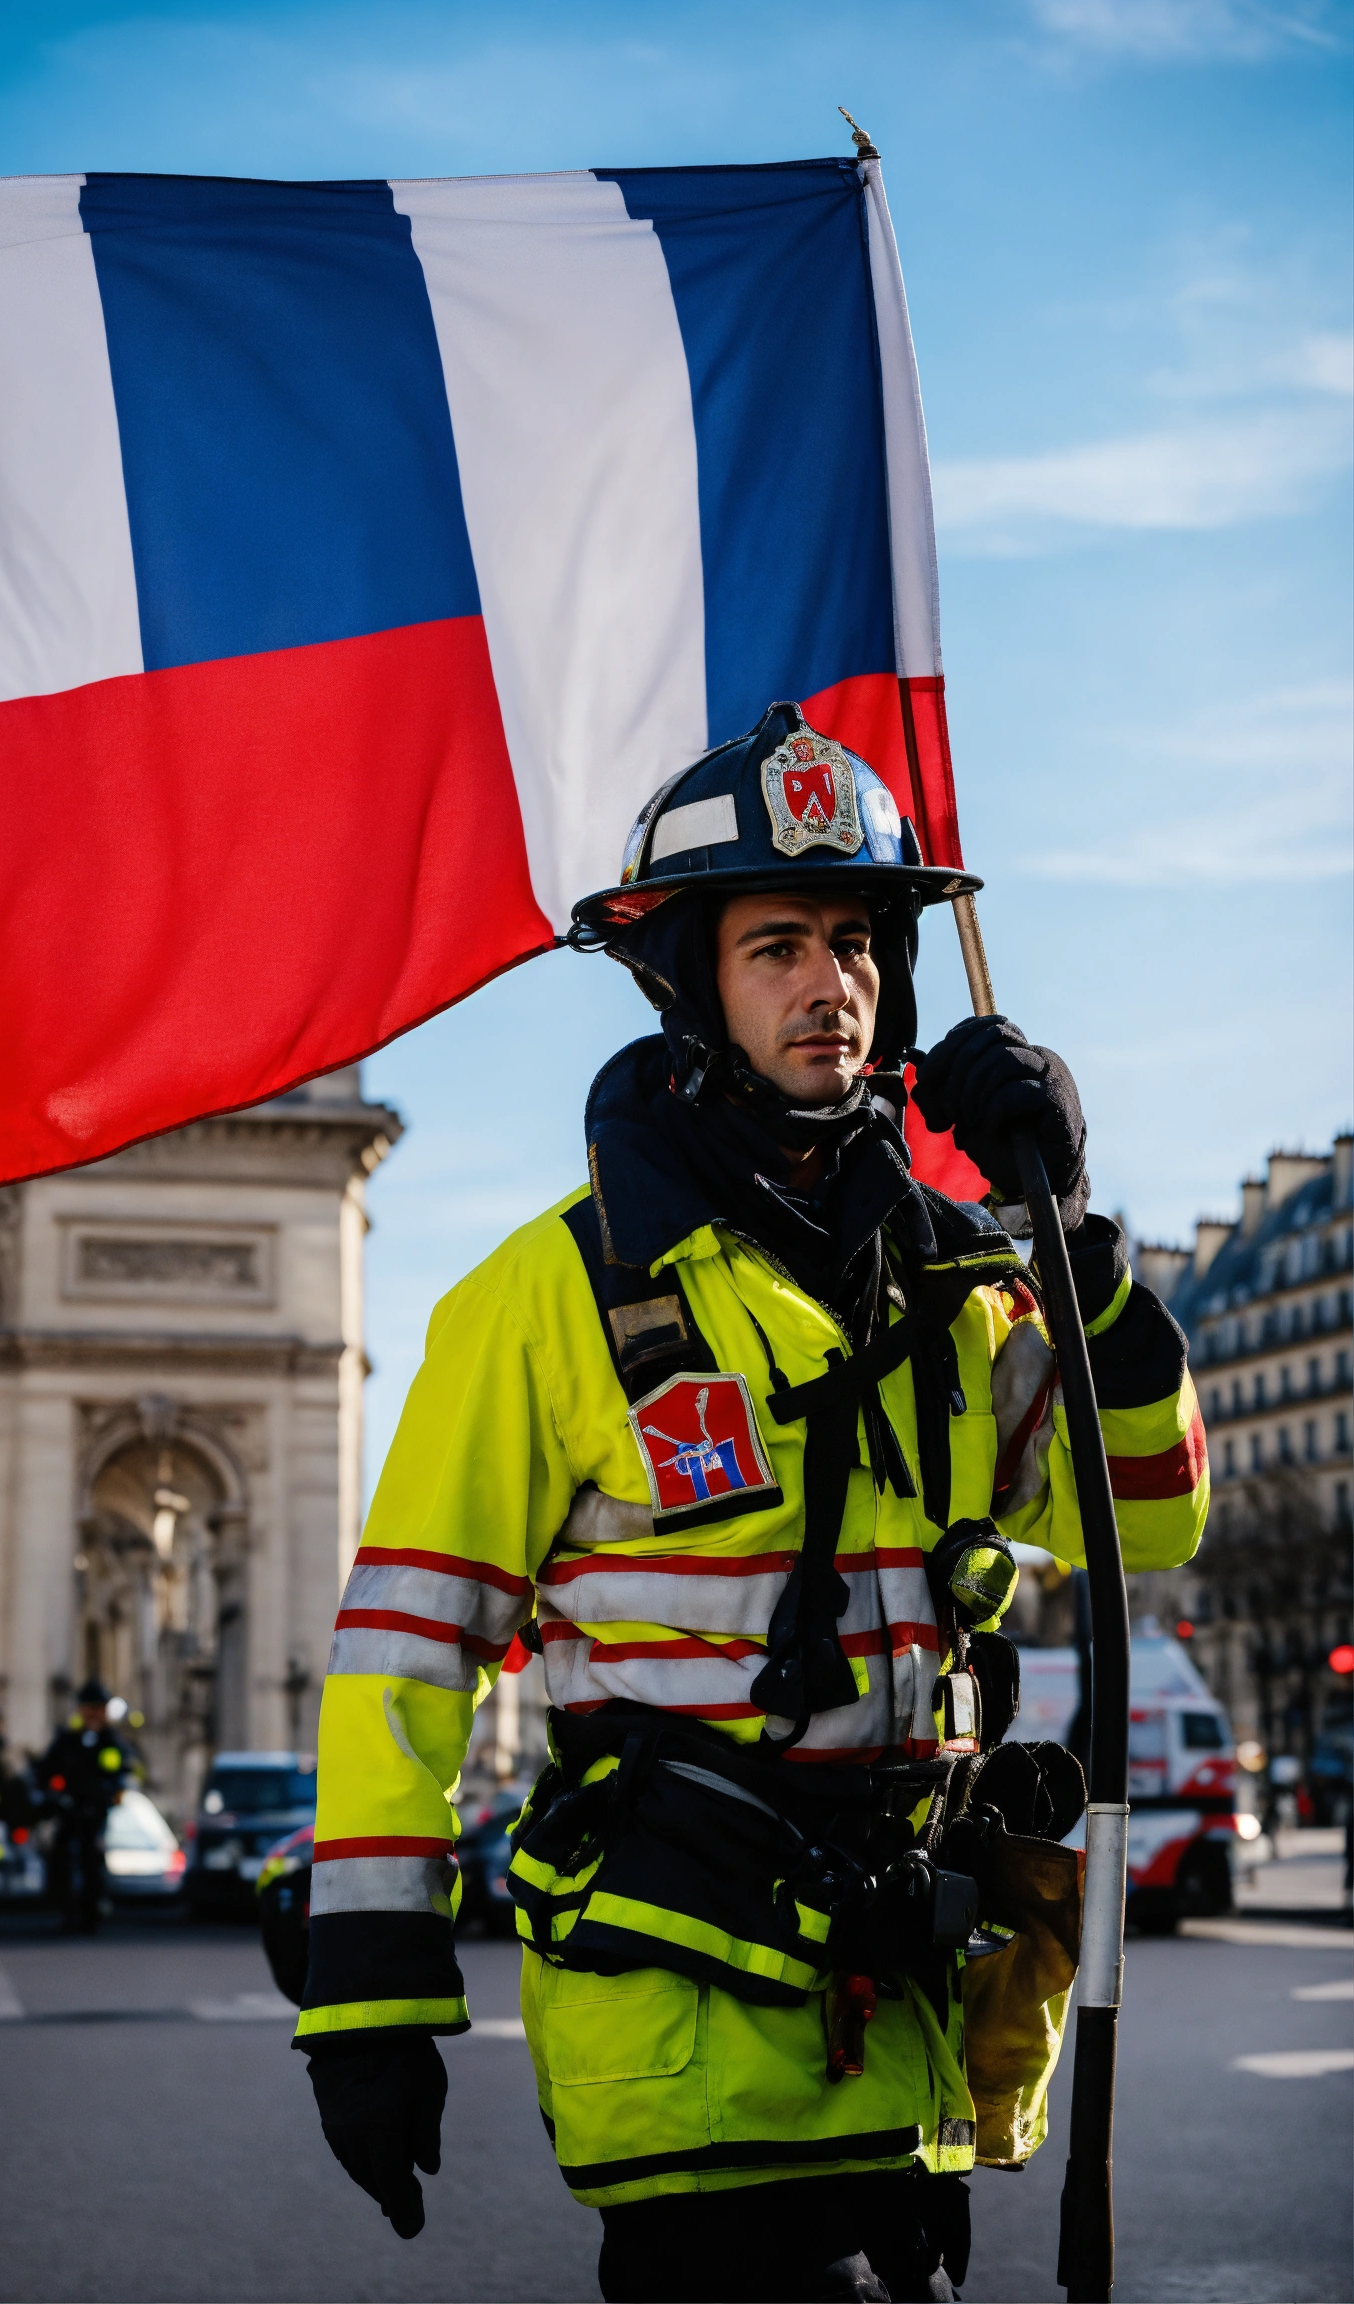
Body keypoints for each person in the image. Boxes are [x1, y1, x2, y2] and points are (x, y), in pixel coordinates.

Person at [292, 706, 1210, 2303]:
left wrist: (1079, 1245)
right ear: (691, 987)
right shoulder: (545, 1297)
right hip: (685, 2021)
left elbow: (1153, 1520)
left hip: (911, 2020)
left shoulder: (972, 1281)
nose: (829, 982)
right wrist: (372, 1987)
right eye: (776, 943)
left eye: (855, 942)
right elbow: (408, 1652)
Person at [38, 1679, 141, 1933]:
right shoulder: (67, 1739)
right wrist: (52, 1793)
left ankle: (93, 1908)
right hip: (68, 1809)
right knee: (60, 1854)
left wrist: (115, 1791)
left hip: (96, 1811)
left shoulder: (113, 1741)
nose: (93, 1714)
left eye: (98, 1708)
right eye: (89, 1708)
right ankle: (65, 1907)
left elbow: (128, 1771)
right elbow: (46, 1769)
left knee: (92, 1858)